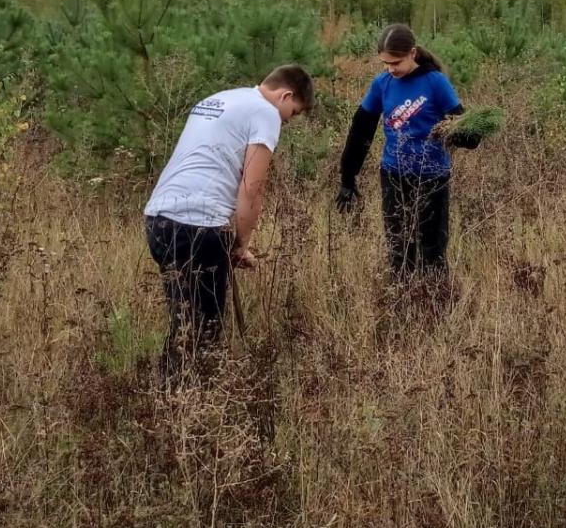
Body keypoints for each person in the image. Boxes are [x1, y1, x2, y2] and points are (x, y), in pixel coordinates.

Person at [144, 64, 312, 380]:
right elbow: (252, 186)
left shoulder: (219, 99)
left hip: (158, 219)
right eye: (293, 112)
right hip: (199, 225)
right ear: (285, 95)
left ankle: (170, 398)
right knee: (206, 325)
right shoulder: (265, 113)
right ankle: (199, 408)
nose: (287, 120)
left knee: (183, 316)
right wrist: (240, 245)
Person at [336, 24, 479, 282]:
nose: (391, 68)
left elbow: (460, 124)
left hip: (432, 176)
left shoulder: (435, 82)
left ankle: (434, 301)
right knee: (399, 246)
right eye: (385, 63)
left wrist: (467, 134)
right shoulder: (382, 84)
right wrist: (348, 176)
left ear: (412, 53)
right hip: (394, 175)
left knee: (432, 248)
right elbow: (361, 130)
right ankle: (401, 300)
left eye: (396, 62)